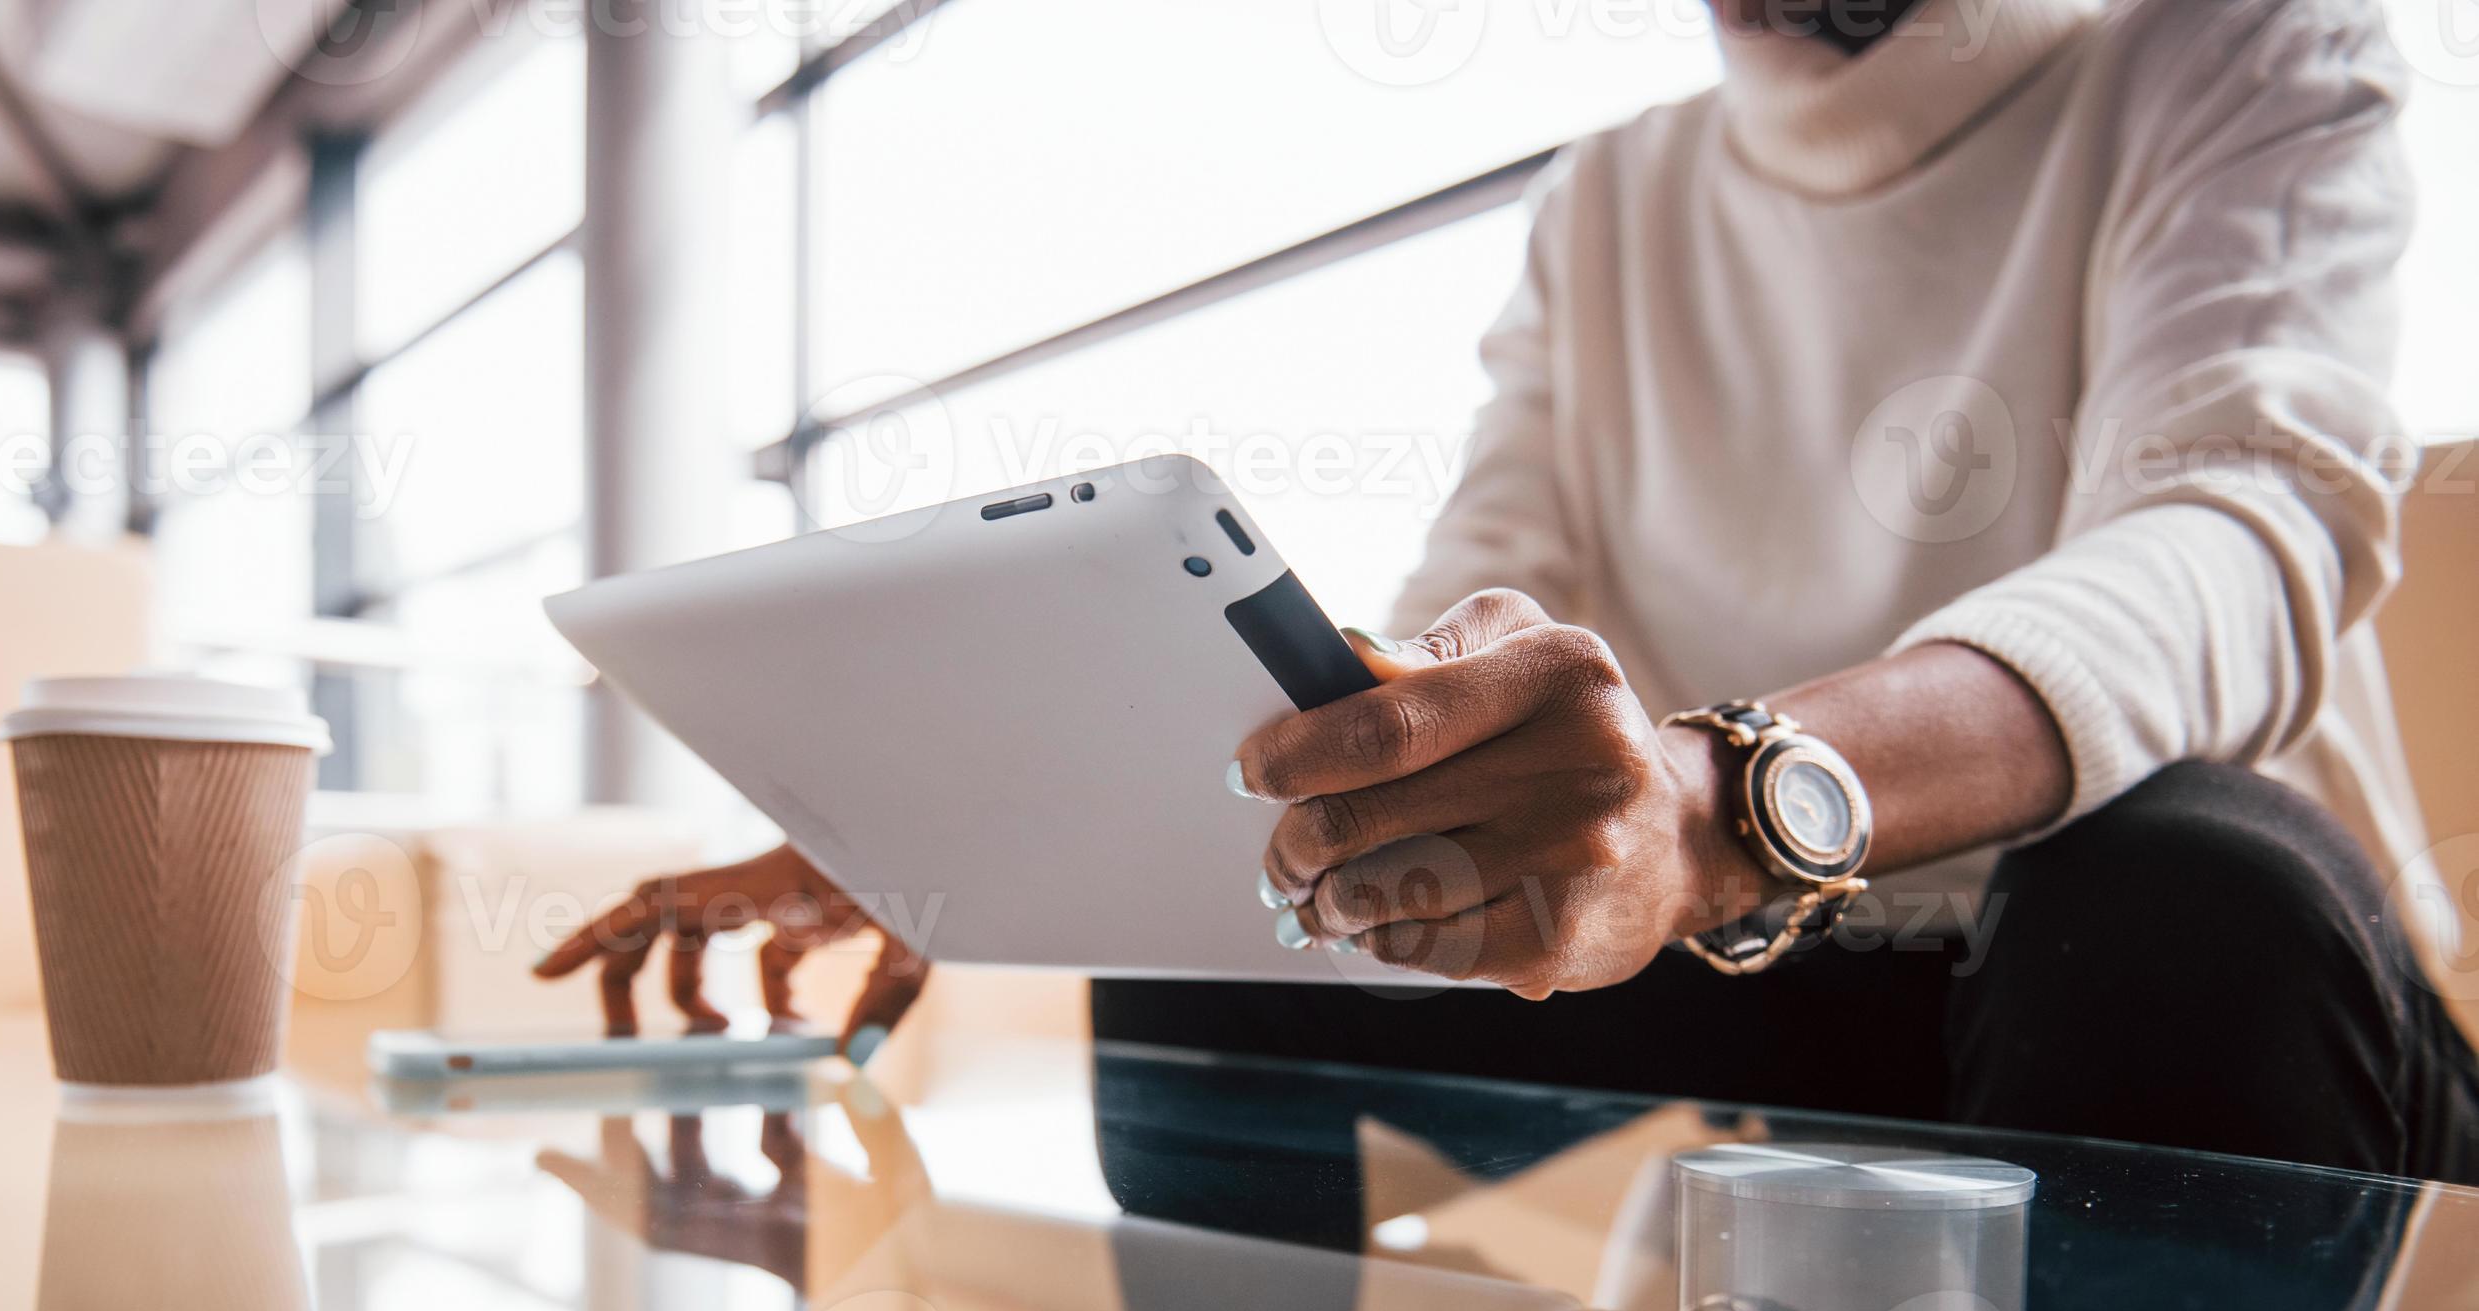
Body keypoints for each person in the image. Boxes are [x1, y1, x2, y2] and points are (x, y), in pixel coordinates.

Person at [538, 0, 2479, 1185]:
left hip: (2176, 1002)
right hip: (1757, 976)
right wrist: (1002, 828)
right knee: (1239, 941)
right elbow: (1483, 601)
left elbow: (2240, 528)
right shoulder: (1619, 192)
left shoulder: (2227, 41)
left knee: (2170, 887)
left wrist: (1737, 798)